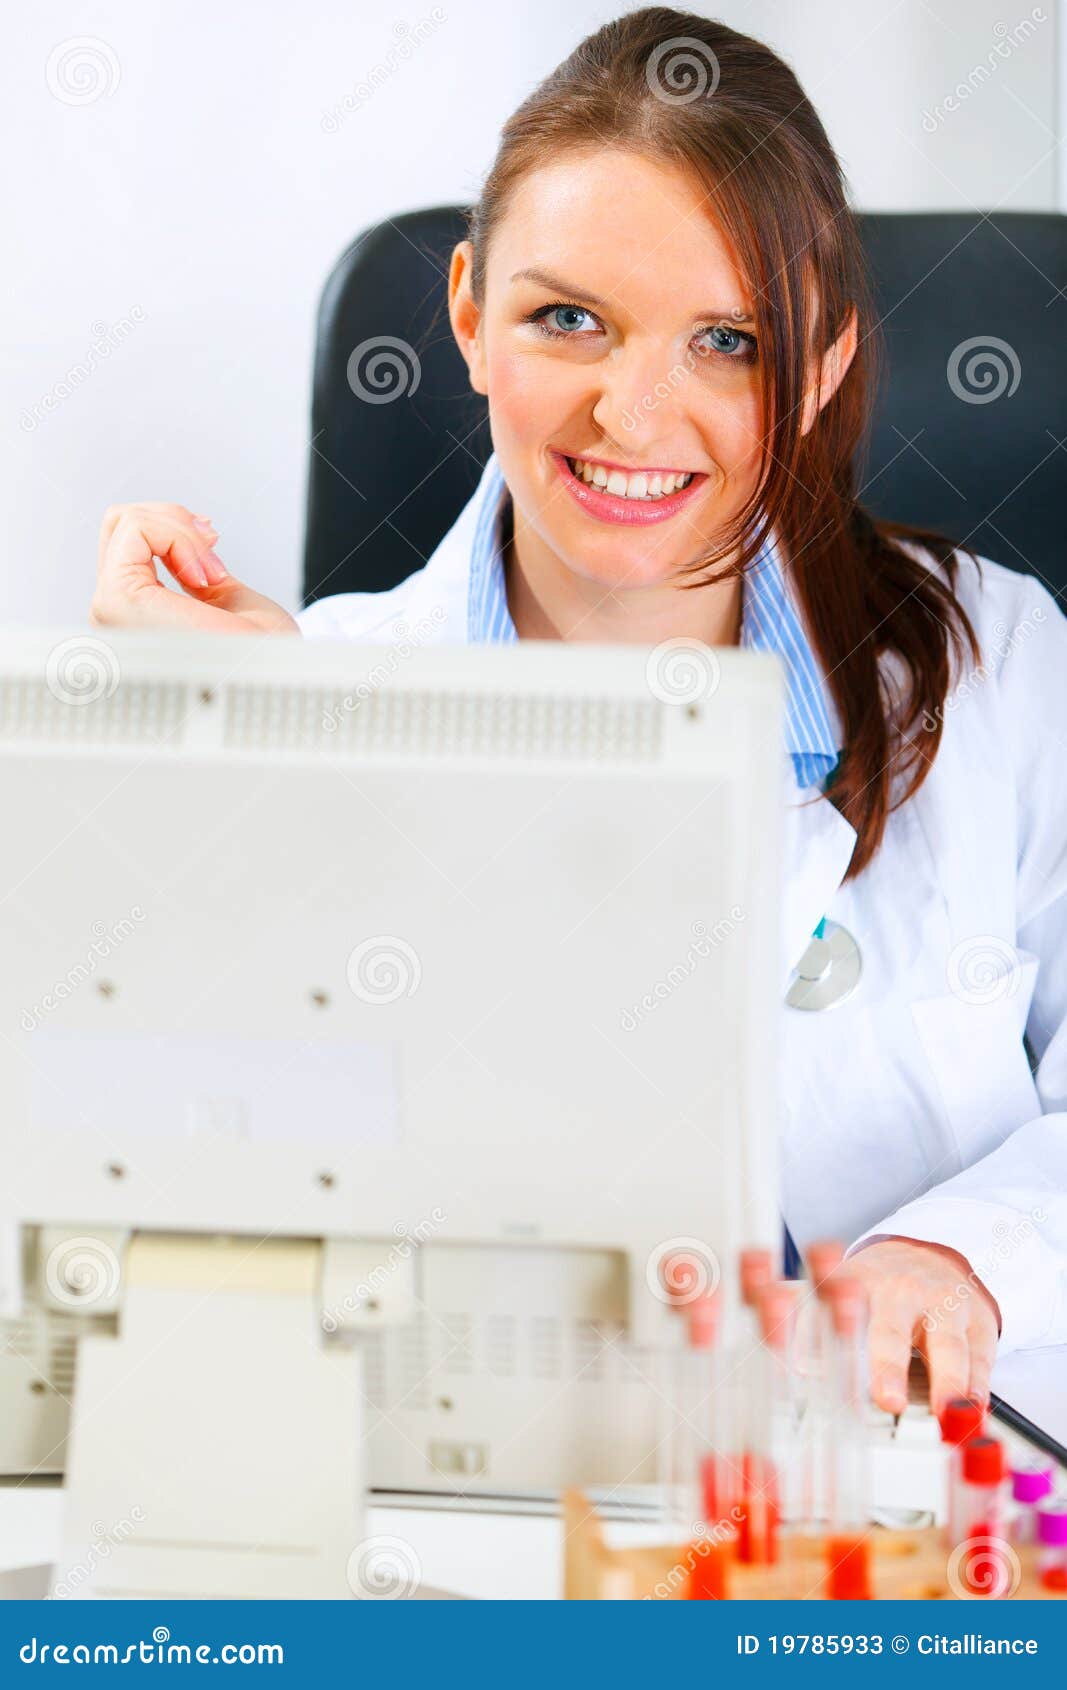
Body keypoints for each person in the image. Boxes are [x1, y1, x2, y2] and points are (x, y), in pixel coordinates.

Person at [88, 8, 1067, 1418]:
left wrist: (967, 1260)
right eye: (568, 319)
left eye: (729, 341)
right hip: (471, 1505)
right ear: (471, 313)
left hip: (895, 1512)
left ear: (831, 367)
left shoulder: (1001, 666)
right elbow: (176, 1196)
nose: (633, 413)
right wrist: (217, 762)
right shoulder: (314, 691)